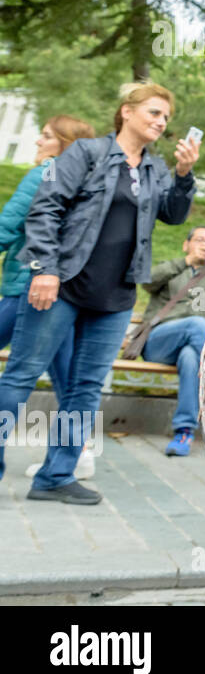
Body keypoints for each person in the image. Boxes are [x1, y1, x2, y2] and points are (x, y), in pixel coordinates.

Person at [0, 82, 198, 505]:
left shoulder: (155, 168)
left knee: (87, 388)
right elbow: (46, 207)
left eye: (166, 117)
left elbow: (173, 214)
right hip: (62, 286)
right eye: (154, 112)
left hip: (115, 297)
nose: (161, 122)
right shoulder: (84, 154)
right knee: (20, 376)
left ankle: (55, 477)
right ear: (126, 111)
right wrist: (45, 269)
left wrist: (183, 177)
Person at [0, 116, 95, 478]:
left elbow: (7, 228)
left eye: (46, 137)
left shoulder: (45, 173)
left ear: (64, 144)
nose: (38, 143)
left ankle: (76, 455)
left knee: (22, 376)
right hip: (66, 291)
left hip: (28, 286)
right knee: (69, 379)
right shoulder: (86, 182)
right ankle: (79, 454)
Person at [134, 225, 205, 457]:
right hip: (158, 340)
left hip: (191, 345)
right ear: (186, 244)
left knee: (192, 358)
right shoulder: (172, 269)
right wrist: (186, 261)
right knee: (197, 325)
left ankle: (184, 432)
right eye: (201, 239)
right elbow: (147, 281)